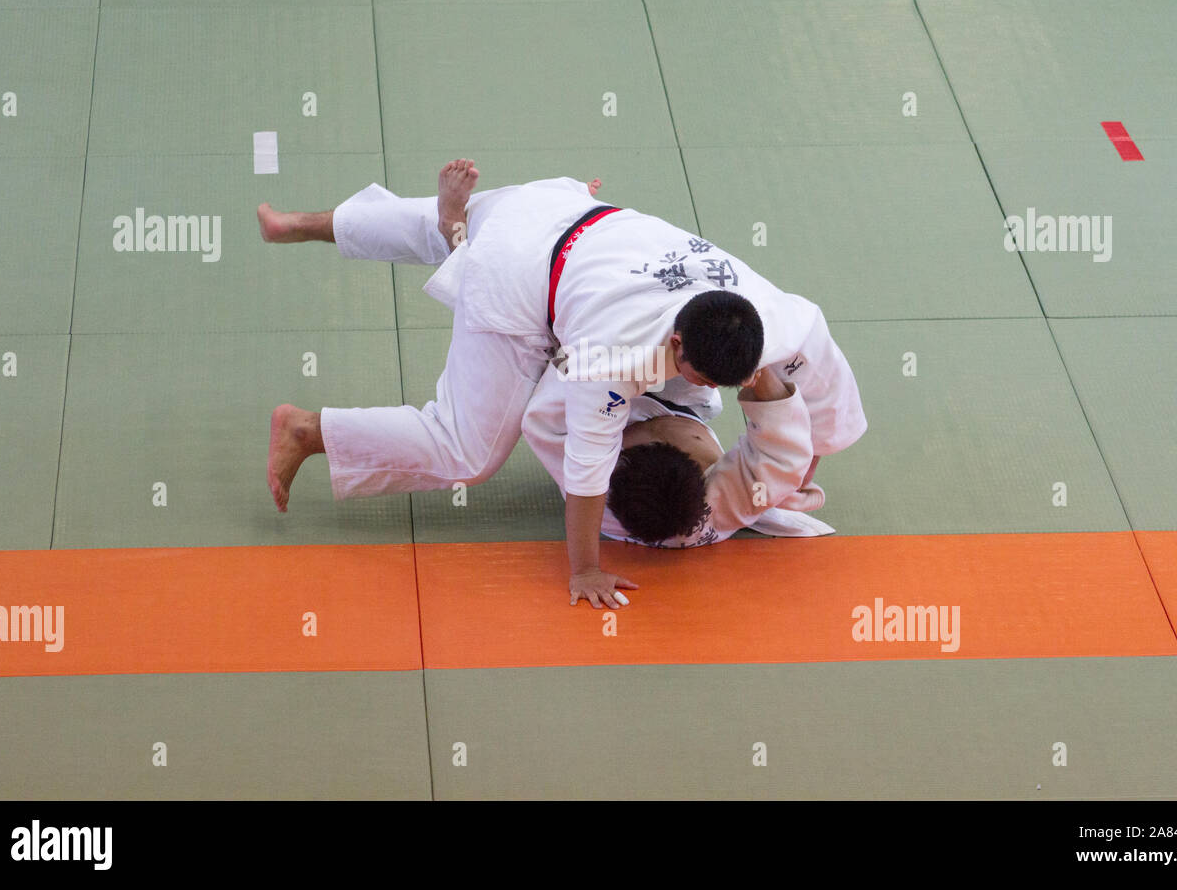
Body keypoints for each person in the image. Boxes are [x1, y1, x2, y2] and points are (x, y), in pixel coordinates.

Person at [259, 160, 866, 607]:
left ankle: (302, 224)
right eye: (705, 377)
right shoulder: (612, 360)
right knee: (464, 449)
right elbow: (587, 468)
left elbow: (827, 390)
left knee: (459, 228)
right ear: (677, 344)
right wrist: (583, 570)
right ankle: (308, 431)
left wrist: (811, 462)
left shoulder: (777, 319)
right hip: (520, 276)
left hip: (557, 208)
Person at [522, 360, 835, 555]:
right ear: (706, 483)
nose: (653, 432)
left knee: (579, 349)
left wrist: (579, 348)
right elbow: (785, 448)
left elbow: (544, 410)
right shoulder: (726, 503)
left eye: (639, 441)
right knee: (695, 346)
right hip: (685, 403)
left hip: (602, 404)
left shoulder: (587, 480)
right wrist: (755, 366)